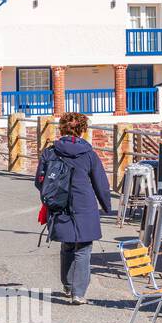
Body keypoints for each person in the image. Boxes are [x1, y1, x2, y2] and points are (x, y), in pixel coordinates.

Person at [35, 111, 113, 305]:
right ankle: (78, 293)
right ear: (83, 130)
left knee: (67, 244)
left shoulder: (49, 152)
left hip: (59, 204)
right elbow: (100, 183)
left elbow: (39, 181)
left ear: (61, 128)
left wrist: (53, 195)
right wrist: (106, 206)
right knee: (84, 247)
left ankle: (68, 285)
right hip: (84, 204)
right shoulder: (89, 154)